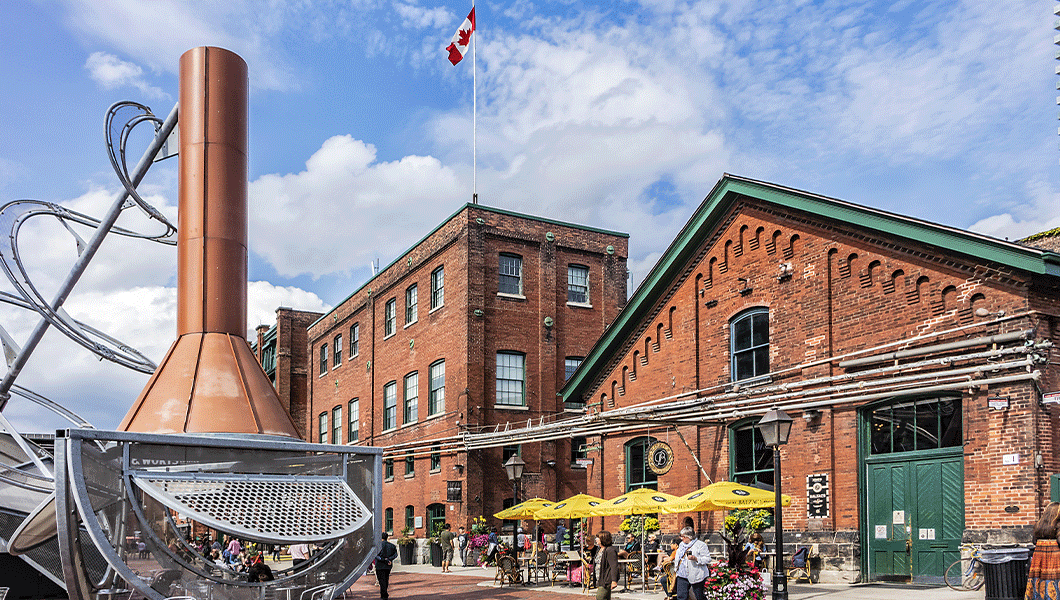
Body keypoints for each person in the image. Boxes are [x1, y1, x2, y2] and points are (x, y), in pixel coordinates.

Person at [1026, 501, 1060, 599]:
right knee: (1053, 579)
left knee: (1039, 579)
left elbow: (1034, 541)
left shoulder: (1038, 525)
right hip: (1054, 556)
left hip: (1039, 557)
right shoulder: (1058, 524)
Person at [672, 527, 711, 600]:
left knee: (699, 596)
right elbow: (678, 557)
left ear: (688, 537)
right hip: (682, 574)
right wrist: (676, 569)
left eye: (683, 536)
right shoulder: (681, 544)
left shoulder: (700, 545)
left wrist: (696, 559)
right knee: (681, 597)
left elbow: (708, 559)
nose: (681, 538)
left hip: (696, 574)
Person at [595, 531, 620, 600]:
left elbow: (614, 566)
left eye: (598, 538)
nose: (596, 539)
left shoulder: (610, 550)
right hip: (600, 578)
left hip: (606, 579)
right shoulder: (599, 549)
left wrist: (614, 580)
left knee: (600, 597)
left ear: (603, 539)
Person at [375, 531, 398, 600]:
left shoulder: (378, 546)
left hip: (380, 565)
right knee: (386, 579)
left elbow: (376, 555)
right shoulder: (392, 546)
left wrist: (383, 559)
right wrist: (389, 559)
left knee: (381, 580)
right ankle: (384, 593)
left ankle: (384, 594)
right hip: (388, 565)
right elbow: (395, 555)